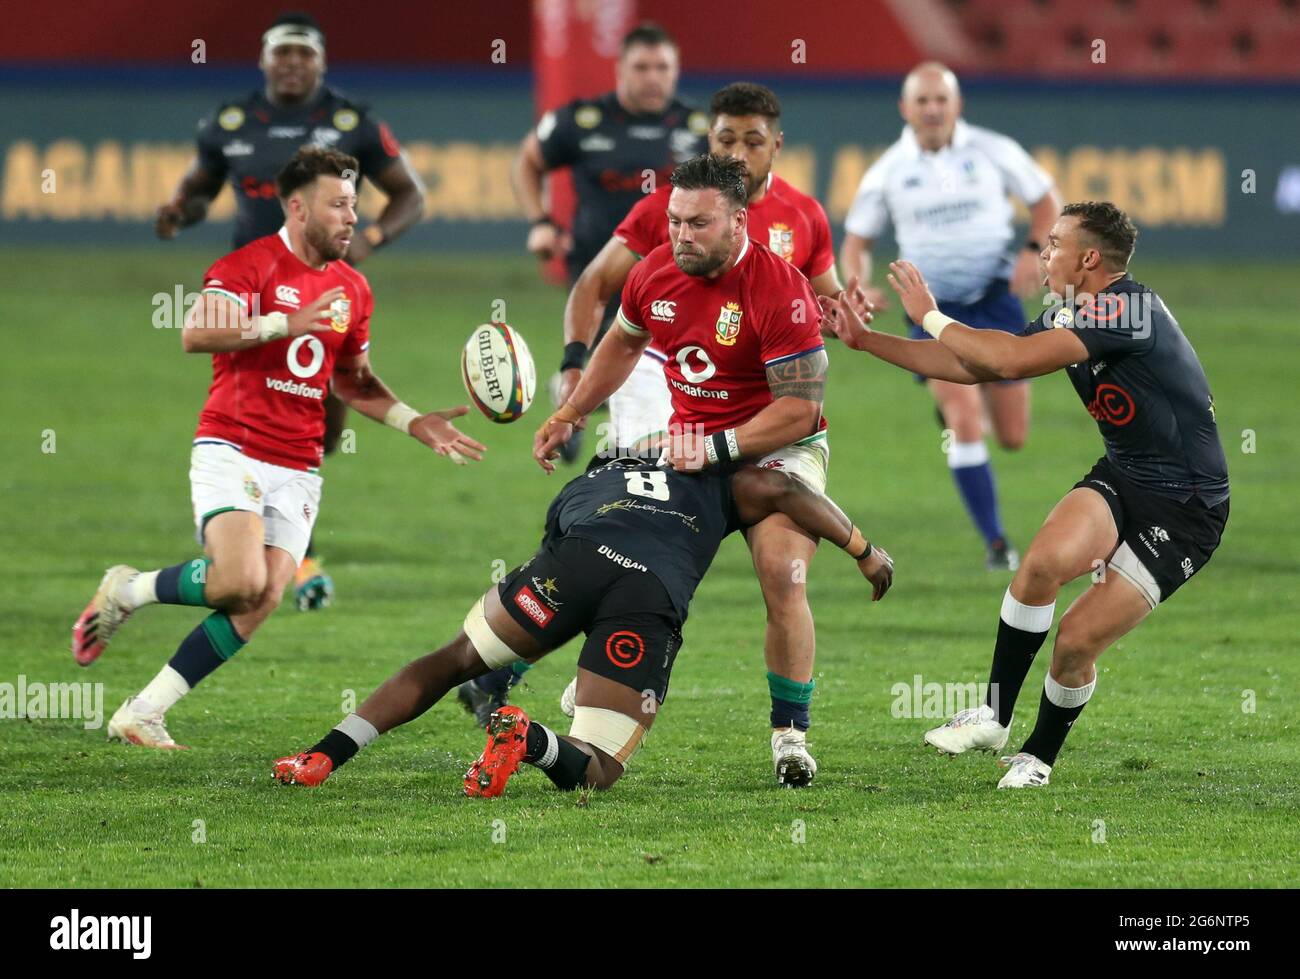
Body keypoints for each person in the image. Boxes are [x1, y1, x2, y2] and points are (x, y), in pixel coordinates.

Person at [460, 82, 854, 726]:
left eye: (752, 140)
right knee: (619, 538)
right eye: (726, 137)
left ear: (774, 147)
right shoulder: (664, 228)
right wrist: (572, 391)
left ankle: (789, 735)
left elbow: (819, 330)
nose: (738, 151)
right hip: (672, 395)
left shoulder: (800, 224)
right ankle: (509, 666)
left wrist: (842, 317)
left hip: (768, 420)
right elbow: (604, 301)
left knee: (776, 573)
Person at [72, 147, 484, 749]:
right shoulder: (249, 265)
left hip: (300, 464)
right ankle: (128, 590)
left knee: (260, 598)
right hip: (233, 446)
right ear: (296, 207)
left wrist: (414, 421)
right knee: (237, 579)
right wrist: (280, 324)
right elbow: (196, 332)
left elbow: (353, 377)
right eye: (338, 204)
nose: (351, 217)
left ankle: (143, 711)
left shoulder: (352, 288)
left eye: (354, 204)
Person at [822, 201, 1229, 788]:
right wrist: (866, 341)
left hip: (1188, 507)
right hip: (1125, 475)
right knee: (1039, 568)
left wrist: (930, 315)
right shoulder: (1075, 312)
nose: (1042, 253)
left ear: (1089, 258)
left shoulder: (1128, 309)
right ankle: (993, 715)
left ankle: (1038, 755)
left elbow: (1007, 360)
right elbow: (976, 367)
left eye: (1054, 243)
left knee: (1074, 642)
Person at [273, 454, 893, 794]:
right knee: (599, 764)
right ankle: (534, 741)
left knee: (456, 658)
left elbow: (555, 544)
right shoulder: (718, 480)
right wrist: (863, 549)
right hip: (647, 596)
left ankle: (323, 756)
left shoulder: (585, 481)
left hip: (569, 564)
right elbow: (782, 488)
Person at [533, 154, 864, 787]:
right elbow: (624, 343)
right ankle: (561, 673)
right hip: (691, 443)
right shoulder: (656, 270)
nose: (683, 235)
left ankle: (790, 737)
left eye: (699, 224)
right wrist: (574, 409)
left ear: (740, 221)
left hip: (776, 450)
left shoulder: (782, 290)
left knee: (782, 574)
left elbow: (800, 411)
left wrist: (714, 448)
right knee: (623, 553)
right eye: (676, 221)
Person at [154, 11, 427, 610]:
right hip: (248, 292)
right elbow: (200, 188)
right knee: (253, 410)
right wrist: (180, 210)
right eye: (283, 53)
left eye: (304, 53)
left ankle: (276, 536)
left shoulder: (351, 121)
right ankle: (268, 547)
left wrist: (373, 239)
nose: (293, 63)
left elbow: (411, 193)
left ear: (321, 62)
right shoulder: (231, 122)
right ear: (265, 60)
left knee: (324, 419)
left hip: (326, 296)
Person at [841, 62, 1062, 571]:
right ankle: (997, 544)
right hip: (931, 306)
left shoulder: (993, 150)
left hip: (994, 299)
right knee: (966, 421)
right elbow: (857, 241)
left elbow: (1046, 201)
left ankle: (958, 401)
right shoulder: (888, 170)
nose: (933, 109)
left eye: (941, 99)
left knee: (1012, 436)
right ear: (906, 109)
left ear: (957, 105)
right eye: (923, 101)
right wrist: (860, 283)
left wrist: (1033, 249)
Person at [511, 21, 707, 463]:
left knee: (649, 369)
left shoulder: (698, 128)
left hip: (671, 271)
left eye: (663, 67)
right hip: (598, 269)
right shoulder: (582, 121)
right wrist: (540, 221)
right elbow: (526, 162)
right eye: (642, 67)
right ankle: (578, 407)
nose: (653, 77)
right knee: (608, 362)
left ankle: (620, 443)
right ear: (620, 69)